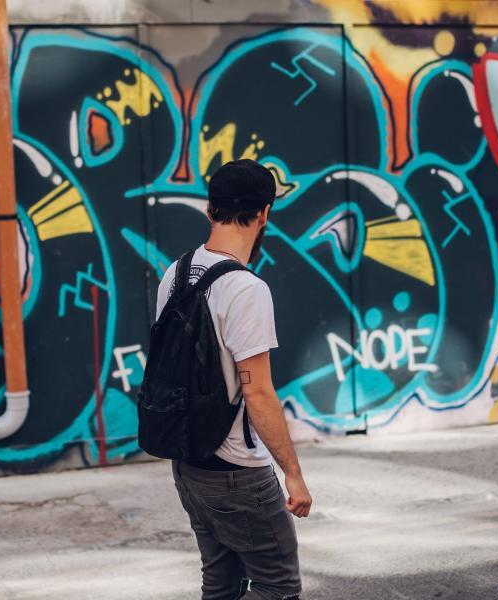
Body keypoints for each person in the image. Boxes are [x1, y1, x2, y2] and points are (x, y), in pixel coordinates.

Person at [155, 159, 311, 600]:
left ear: (210, 210)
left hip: (189, 465)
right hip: (236, 473)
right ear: (264, 213)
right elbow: (257, 392)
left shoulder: (177, 273)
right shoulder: (246, 289)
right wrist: (293, 475)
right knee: (277, 586)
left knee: (221, 582)